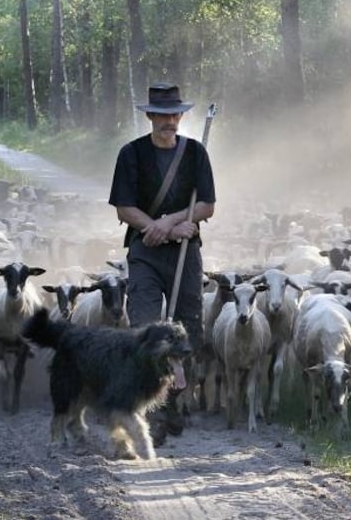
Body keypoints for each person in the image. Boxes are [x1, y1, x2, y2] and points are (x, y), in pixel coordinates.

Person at [108, 82, 215, 443]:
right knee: (147, 328)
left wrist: (167, 223)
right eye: (162, 115)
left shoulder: (195, 153)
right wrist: (154, 228)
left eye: (174, 114)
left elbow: (207, 206)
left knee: (188, 329)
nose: (169, 120)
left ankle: (174, 401)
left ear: (181, 116)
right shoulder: (131, 154)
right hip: (145, 253)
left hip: (185, 250)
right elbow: (124, 207)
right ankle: (152, 410)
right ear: (150, 116)